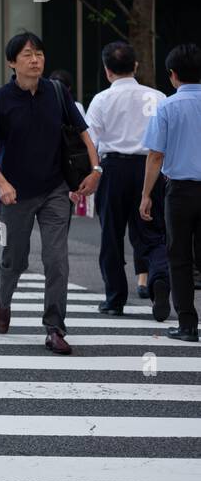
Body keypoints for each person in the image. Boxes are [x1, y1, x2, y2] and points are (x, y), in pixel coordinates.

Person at [0, 32, 101, 355]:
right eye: (28, 55)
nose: (36, 60)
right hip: (16, 194)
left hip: (55, 189)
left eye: (40, 54)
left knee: (56, 259)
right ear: (12, 62)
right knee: (14, 259)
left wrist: (95, 170)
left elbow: (84, 134)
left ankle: (54, 327)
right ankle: (3, 301)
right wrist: (2, 183)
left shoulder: (57, 93)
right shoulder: (1, 100)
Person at [84, 41, 168, 317]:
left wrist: (91, 174)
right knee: (153, 232)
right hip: (150, 168)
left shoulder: (101, 99)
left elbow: (92, 143)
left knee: (111, 234)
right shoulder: (157, 97)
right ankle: (158, 279)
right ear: (135, 66)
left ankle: (115, 298)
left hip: (114, 169)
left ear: (107, 71)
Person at [142, 43, 201, 342]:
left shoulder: (166, 106)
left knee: (179, 256)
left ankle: (188, 325)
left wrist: (146, 194)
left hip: (178, 191)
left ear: (173, 75)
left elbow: (155, 155)